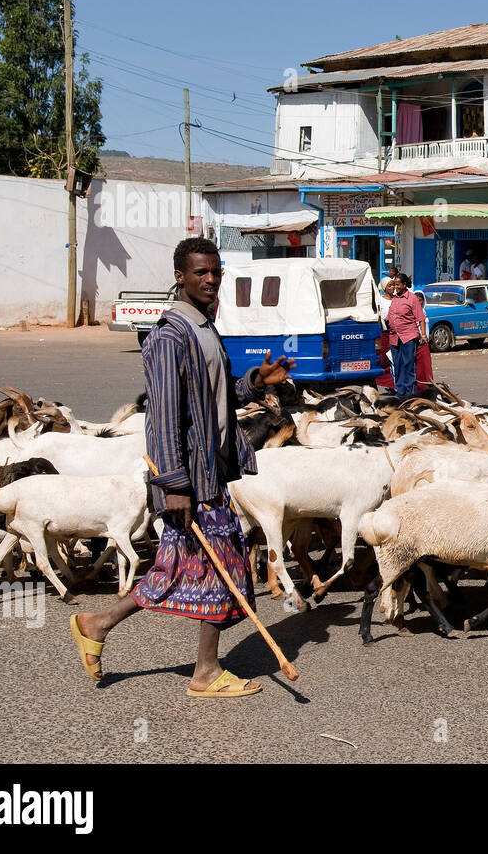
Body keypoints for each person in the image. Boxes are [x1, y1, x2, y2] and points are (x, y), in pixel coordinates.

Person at [69, 237, 295, 698]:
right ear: (180, 277)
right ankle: (206, 672)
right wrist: (174, 484)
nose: (210, 280)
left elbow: (210, 397)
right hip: (189, 477)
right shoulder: (171, 336)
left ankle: (97, 623)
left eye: (215, 271)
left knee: (178, 567)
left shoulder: (205, 329)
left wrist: (253, 383)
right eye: (200, 273)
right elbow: (164, 418)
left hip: (210, 472)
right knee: (224, 567)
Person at [386, 274, 428, 398]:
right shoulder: (394, 298)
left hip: (408, 336)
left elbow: (421, 318)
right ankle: (400, 392)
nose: (395, 287)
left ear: (404, 285)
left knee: (408, 364)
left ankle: (409, 393)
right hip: (394, 337)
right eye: (394, 284)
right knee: (397, 365)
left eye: (398, 284)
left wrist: (424, 335)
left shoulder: (412, 298)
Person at [413, 290, 435, 390]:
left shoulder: (424, 312)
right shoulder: (412, 313)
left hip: (424, 343)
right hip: (416, 342)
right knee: (417, 366)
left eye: (420, 300)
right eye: (416, 300)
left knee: (426, 366)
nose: (419, 302)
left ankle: (427, 384)